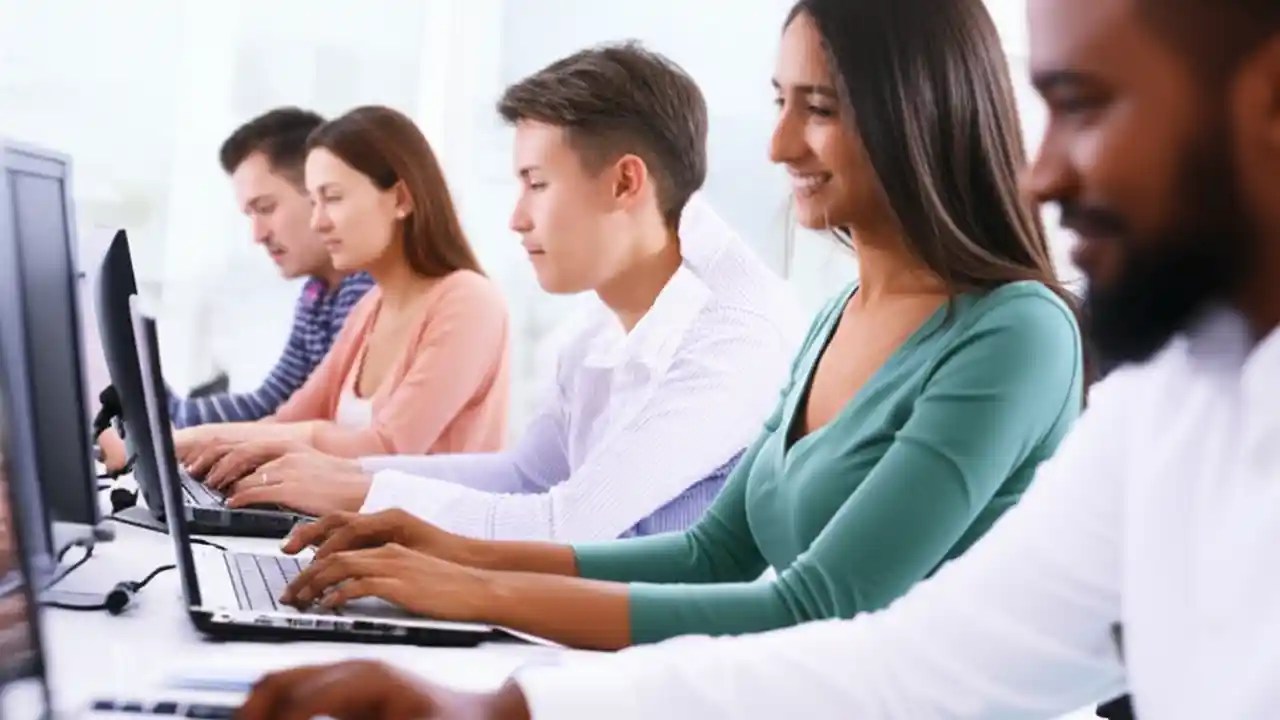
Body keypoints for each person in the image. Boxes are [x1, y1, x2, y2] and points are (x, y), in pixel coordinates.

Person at [237, 0, 1280, 716]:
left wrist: (472, 595)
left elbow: (817, 609)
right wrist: (470, 630)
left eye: (1085, 106)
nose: (1045, 170)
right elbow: (898, 653)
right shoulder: (1177, 406)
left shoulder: (1017, 333)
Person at [195, 45, 804, 536]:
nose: (516, 218)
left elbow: (574, 522)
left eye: (536, 184)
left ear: (625, 183)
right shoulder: (597, 328)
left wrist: (359, 487)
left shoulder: (733, 331)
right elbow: (526, 475)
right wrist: (340, 474)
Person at [174, 106, 511, 478]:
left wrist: (282, 441)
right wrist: (174, 445)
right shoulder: (370, 307)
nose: (318, 222)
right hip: (350, 528)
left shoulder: (468, 302)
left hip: (418, 535)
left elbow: (388, 449)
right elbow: (284, 420)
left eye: (332, 198)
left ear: (400, 199)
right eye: (314, 201)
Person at [96, 107, 374, 470]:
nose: (258, 234)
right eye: (251, 214)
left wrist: (174, 428)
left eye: (266, 207)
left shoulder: (367, 291)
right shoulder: (319, 295)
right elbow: (272, 402)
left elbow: (319, 425)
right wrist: (166, 411)